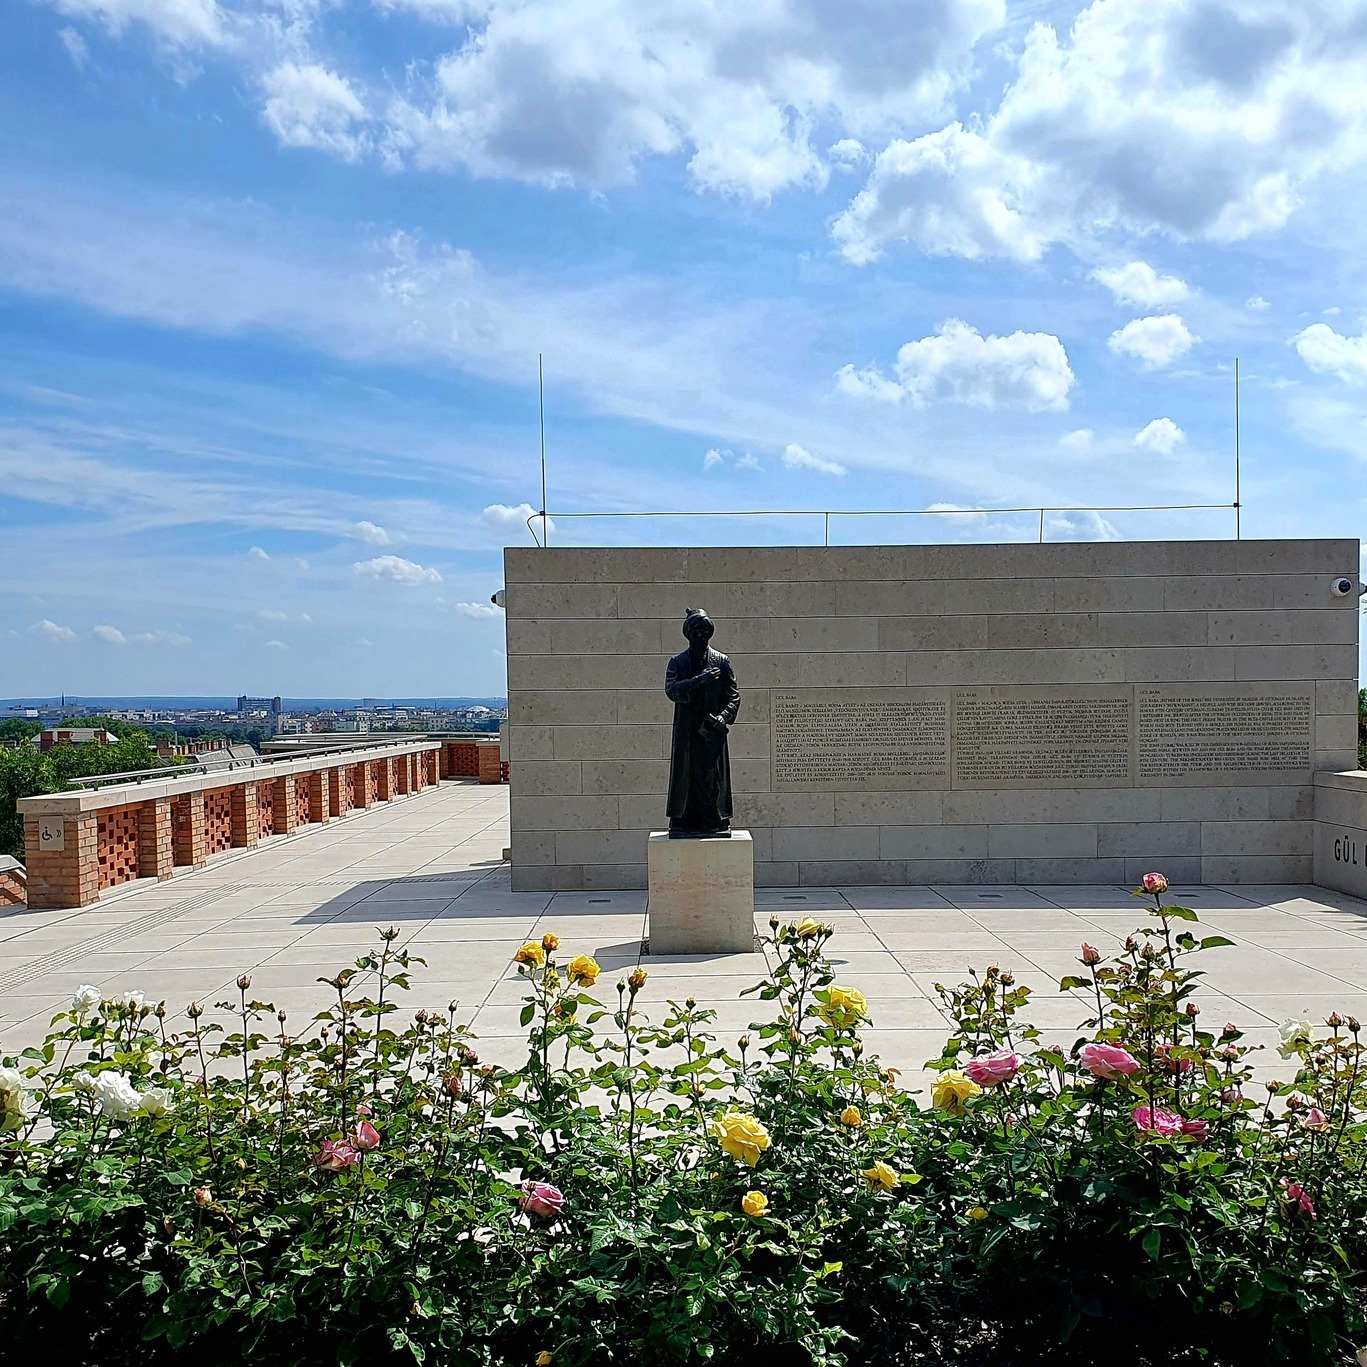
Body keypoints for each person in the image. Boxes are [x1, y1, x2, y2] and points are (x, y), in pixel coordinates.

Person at [664, 607, 741, 836]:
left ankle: (714, 821)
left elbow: (734, 696)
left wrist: (723, 717)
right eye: (695, 630)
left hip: (711, 731)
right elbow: (671, 690)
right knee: (686, 777)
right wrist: (699, 680)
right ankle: (685, 822)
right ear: (687, 633)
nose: (700, 635)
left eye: (704, 630)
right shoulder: (677, 662)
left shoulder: (722, 661)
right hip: (687, 732)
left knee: (712, 778)